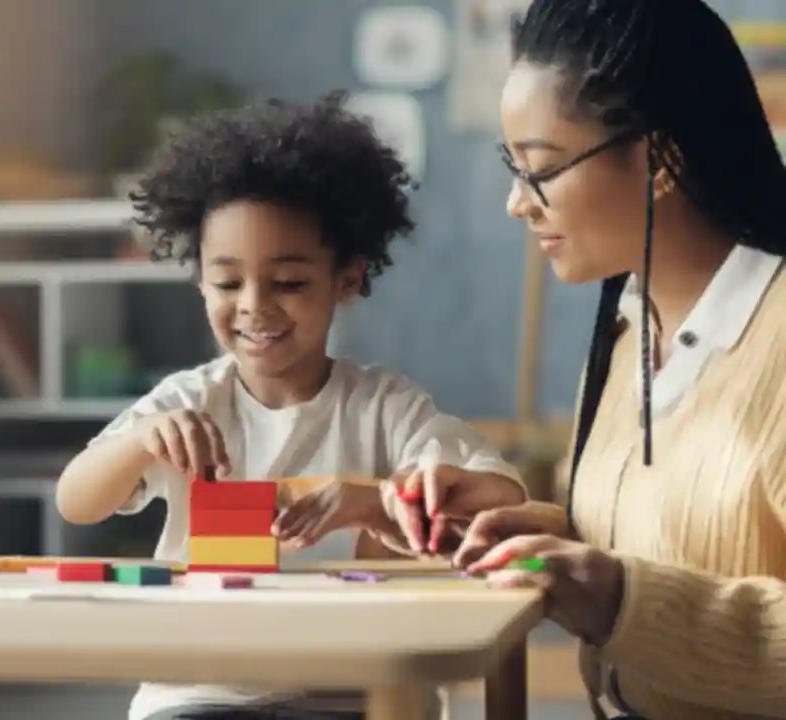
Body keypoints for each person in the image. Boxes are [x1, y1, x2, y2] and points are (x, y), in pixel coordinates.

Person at [55, 91, 528, 720]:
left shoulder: (384, 407)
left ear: (347, 278)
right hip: (202, 690)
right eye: (228, 282)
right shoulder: (187, 402)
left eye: (289, 283)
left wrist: (375, 500)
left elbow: (504, 498)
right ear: (201, 282)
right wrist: (143, 441)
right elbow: (76, 501)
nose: (254, 305)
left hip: (348, 691)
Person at [380, 1, 786, 718]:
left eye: (541, 169)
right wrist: (530, 531)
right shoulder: (631, 331)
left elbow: (638, 592)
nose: (518, 203)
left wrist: (617, 598)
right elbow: (671, 551)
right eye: (513, 167)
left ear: (659, 160)